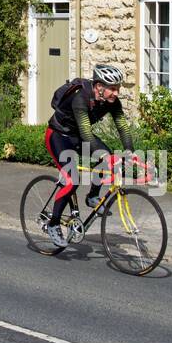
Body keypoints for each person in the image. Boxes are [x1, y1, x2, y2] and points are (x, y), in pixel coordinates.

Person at [42, 63, 135, 248]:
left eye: (118, 89)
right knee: (72, 180)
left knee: (105, 156)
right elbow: (86, 132)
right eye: (112, 89)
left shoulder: (113, 102)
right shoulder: (81, 98)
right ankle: (53, 224)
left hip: (77, 136)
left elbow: (122, 126)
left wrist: (129, 151)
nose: (116, 93)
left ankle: (93, 196)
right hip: (58, 136)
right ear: (99, 86)